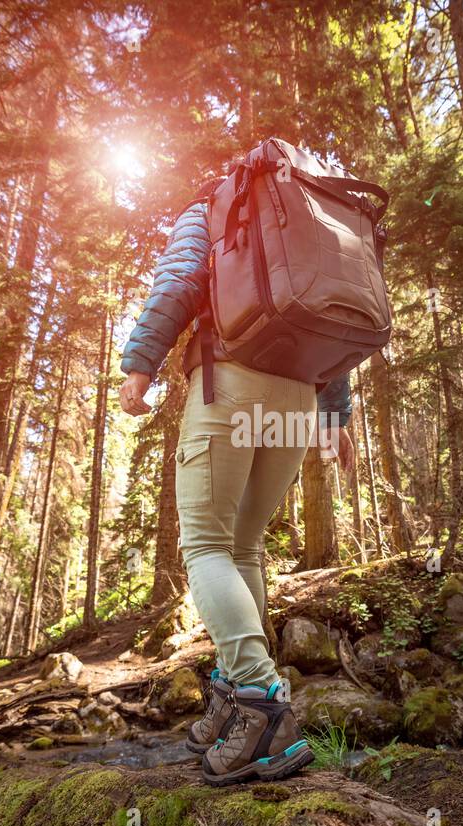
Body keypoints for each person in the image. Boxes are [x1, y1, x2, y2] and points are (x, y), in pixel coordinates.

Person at [118, 175, 355, 786]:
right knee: (244, 545)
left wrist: (140, 365)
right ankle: (237, 701)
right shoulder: (307, 224)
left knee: (205, 544)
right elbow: (332, 321)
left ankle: (259, 703)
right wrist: (333, 415)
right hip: (297, 397)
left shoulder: (213, 208)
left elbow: (178, 281)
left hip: (229, 379)